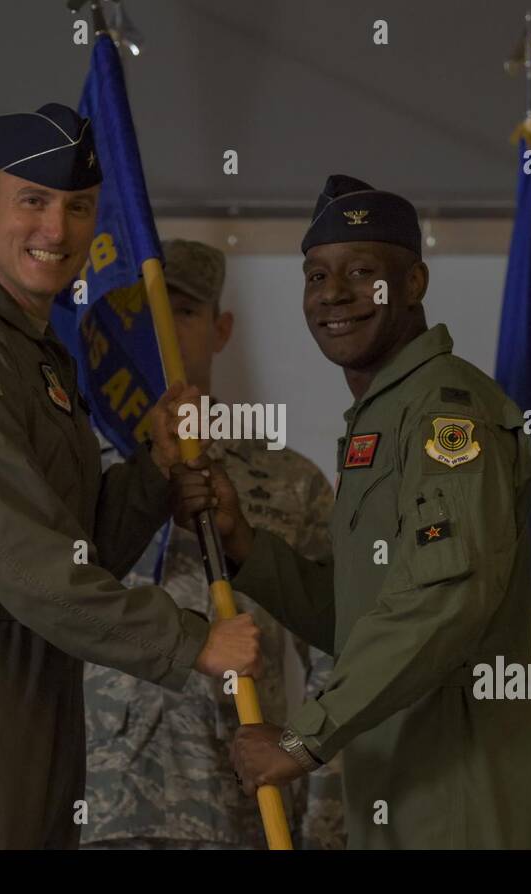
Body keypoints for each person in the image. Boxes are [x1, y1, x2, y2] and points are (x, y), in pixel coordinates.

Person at [0, 104, 261, 850]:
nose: (56, 230)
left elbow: (76, 547)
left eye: (77, 208)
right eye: (32, 201)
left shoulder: (34, 356)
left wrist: (157, 470)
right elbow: (23, 557)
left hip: (30, 685)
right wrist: (191, 639)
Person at [175, 175, 531, 849]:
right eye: (317, 274)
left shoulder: (446, 409)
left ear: (413, 283)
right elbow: (364, 615)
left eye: (363, 272)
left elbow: (442, 596)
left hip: (466, 790)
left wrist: (303, 737)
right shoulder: (383, 415)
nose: (333, 293)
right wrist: (246, 549)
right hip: (403, 783)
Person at [81, 239, 346, 850]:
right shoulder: (77, 480)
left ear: (221, 329)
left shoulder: (289, 481)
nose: (162, 332)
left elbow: (341, 657)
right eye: (140, 316)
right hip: (97, 809)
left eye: (183, 312)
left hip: (242, 807)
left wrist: (326, 821)